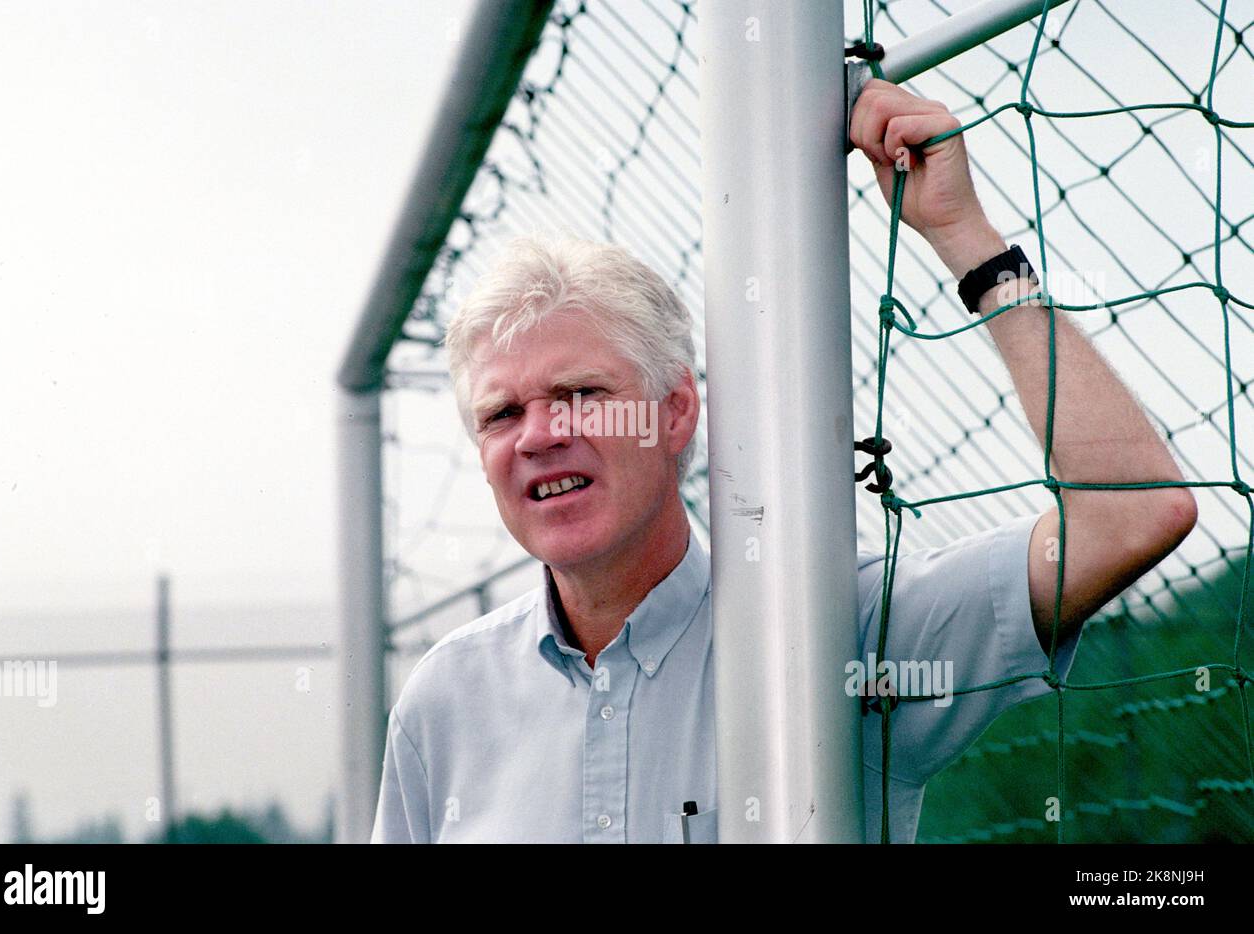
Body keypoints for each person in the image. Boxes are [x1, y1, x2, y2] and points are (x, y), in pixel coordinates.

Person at [369, 79, 1197, 843]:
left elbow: (1134, 511)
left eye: (582, 394)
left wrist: (965, 237)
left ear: (676, 412)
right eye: (501, 413)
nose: (539, 434)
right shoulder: (443, 704)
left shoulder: (839, 638)